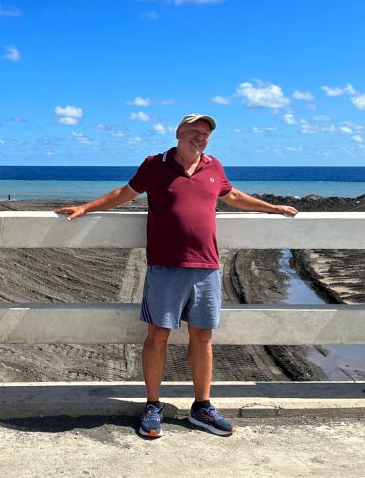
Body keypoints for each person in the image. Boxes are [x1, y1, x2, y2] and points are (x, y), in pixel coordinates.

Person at [55, 113, 298, 438]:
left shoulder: (213, 166)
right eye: (194, 131)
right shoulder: (154, 165)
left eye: (205, 134)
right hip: (165, 267)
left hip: (207, 267)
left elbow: (233, 196)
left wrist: (273, 208)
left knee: (203, 336)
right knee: (158, 334)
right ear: (179, 133)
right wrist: (87, 207)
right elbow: (125, 193)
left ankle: (202, 407)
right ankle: (153, 405)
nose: (200, 138)